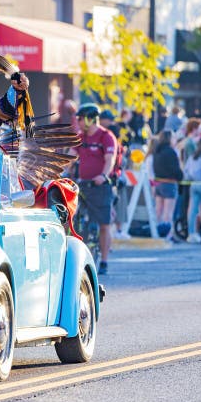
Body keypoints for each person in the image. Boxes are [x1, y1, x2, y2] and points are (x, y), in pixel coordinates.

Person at [74, 103, 118, 275]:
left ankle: (105, 261)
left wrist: (104, 176)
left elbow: (110, 160)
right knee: (76, 221)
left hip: (100, 186)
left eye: (80, 118)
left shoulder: (106, 137)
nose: (78, 122)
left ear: (90, 119)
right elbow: (70, 155)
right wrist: (59, 171)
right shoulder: (81, 137)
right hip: (83, 184)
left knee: (104, 225)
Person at [152, 130, 182, 240]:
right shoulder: (171, 152)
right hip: (170, 182)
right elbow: (175, 169)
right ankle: (168, 233)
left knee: (158, 210)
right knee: (168, 211)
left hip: (158, 182)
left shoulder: (157, 151)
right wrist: (180, 177)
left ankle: (156, 230)